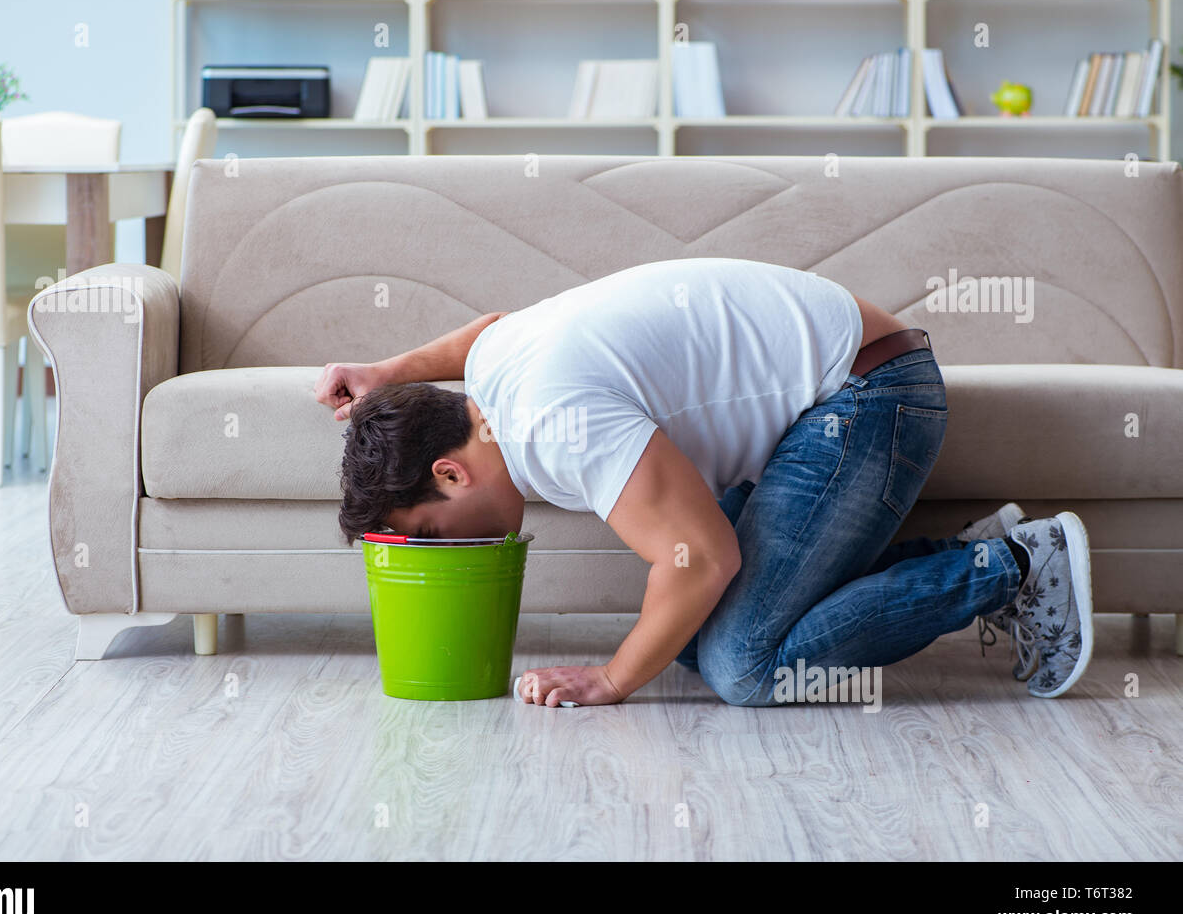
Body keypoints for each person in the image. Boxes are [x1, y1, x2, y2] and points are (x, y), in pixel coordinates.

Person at [315, 257, 1094, 708]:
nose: (450, 547)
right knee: (686, 644)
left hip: (870, 395)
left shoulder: (550, 424)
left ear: (450, 471)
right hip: (830, 397)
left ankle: (1016, 568)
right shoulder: (493, 370)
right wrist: (386, 374)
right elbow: (484, 326)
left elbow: (701, 554)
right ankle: (964, 559)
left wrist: (611, 678)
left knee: (741, 666)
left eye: (431, 531)